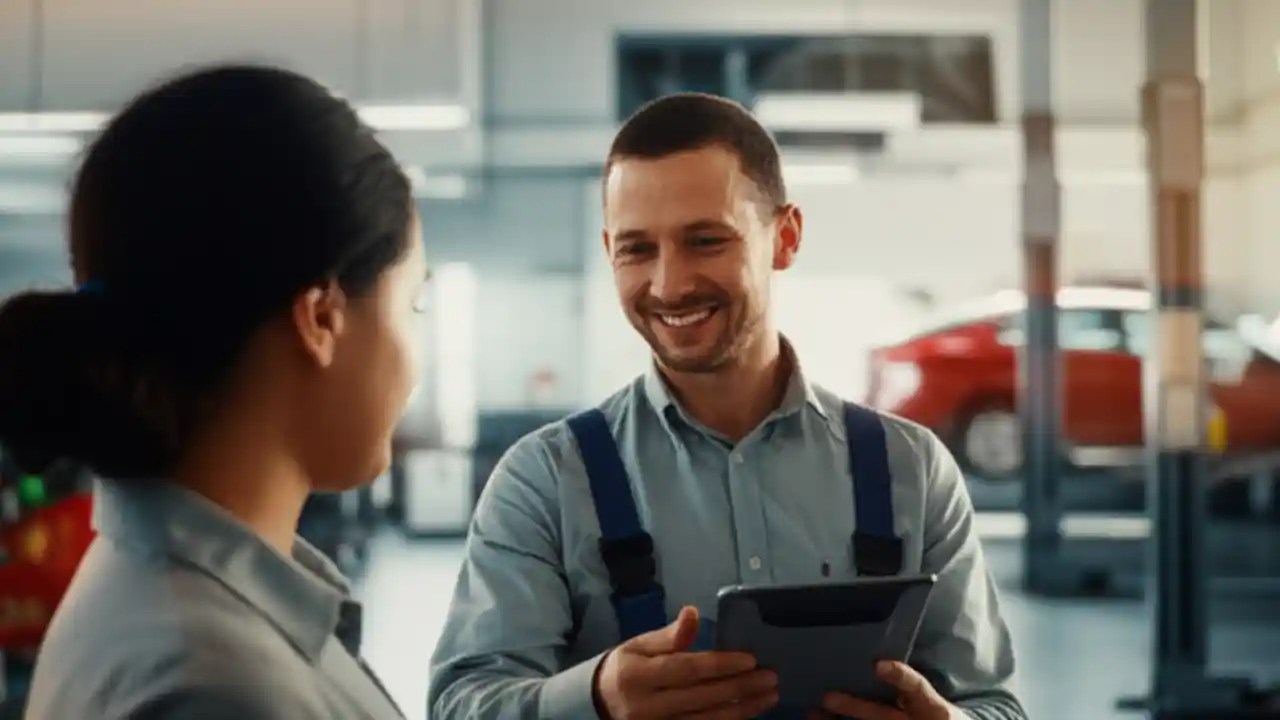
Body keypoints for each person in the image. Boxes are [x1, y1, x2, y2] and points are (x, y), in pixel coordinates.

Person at [429, 93, 1027, 720]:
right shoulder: (545, 482)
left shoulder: (913, 472)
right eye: (637, 249)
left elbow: (992, 705)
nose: (670, 284)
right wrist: (597, 698)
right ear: (609, 252)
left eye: (706, 240)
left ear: (785, 238)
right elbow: (462, 704)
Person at [0, 65, 427, 719]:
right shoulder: (222, 688)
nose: (415, 364)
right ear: (321, 318)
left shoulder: (155, 584)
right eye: (413, 307)